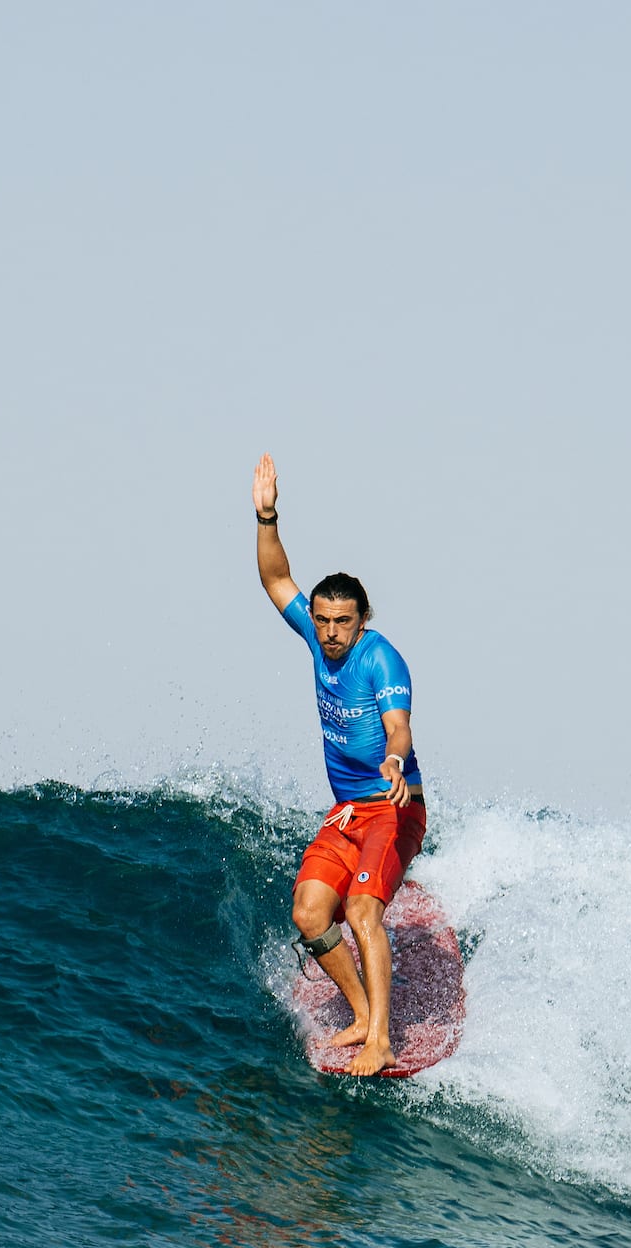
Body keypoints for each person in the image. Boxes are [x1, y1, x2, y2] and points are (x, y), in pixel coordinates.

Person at [252, 453, 425, 1077]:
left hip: (394, 806)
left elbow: (397, 725)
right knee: (308, 914)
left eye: (341, 622)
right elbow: (277, 581)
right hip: (349, 810)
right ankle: (359, 1012)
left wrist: (396, 760)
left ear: (363, 620)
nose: (328, 632)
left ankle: (381, 1039)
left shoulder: (382, 661)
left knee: (359, 911)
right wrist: (267, 516)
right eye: (321, 621)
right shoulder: (316, 637)